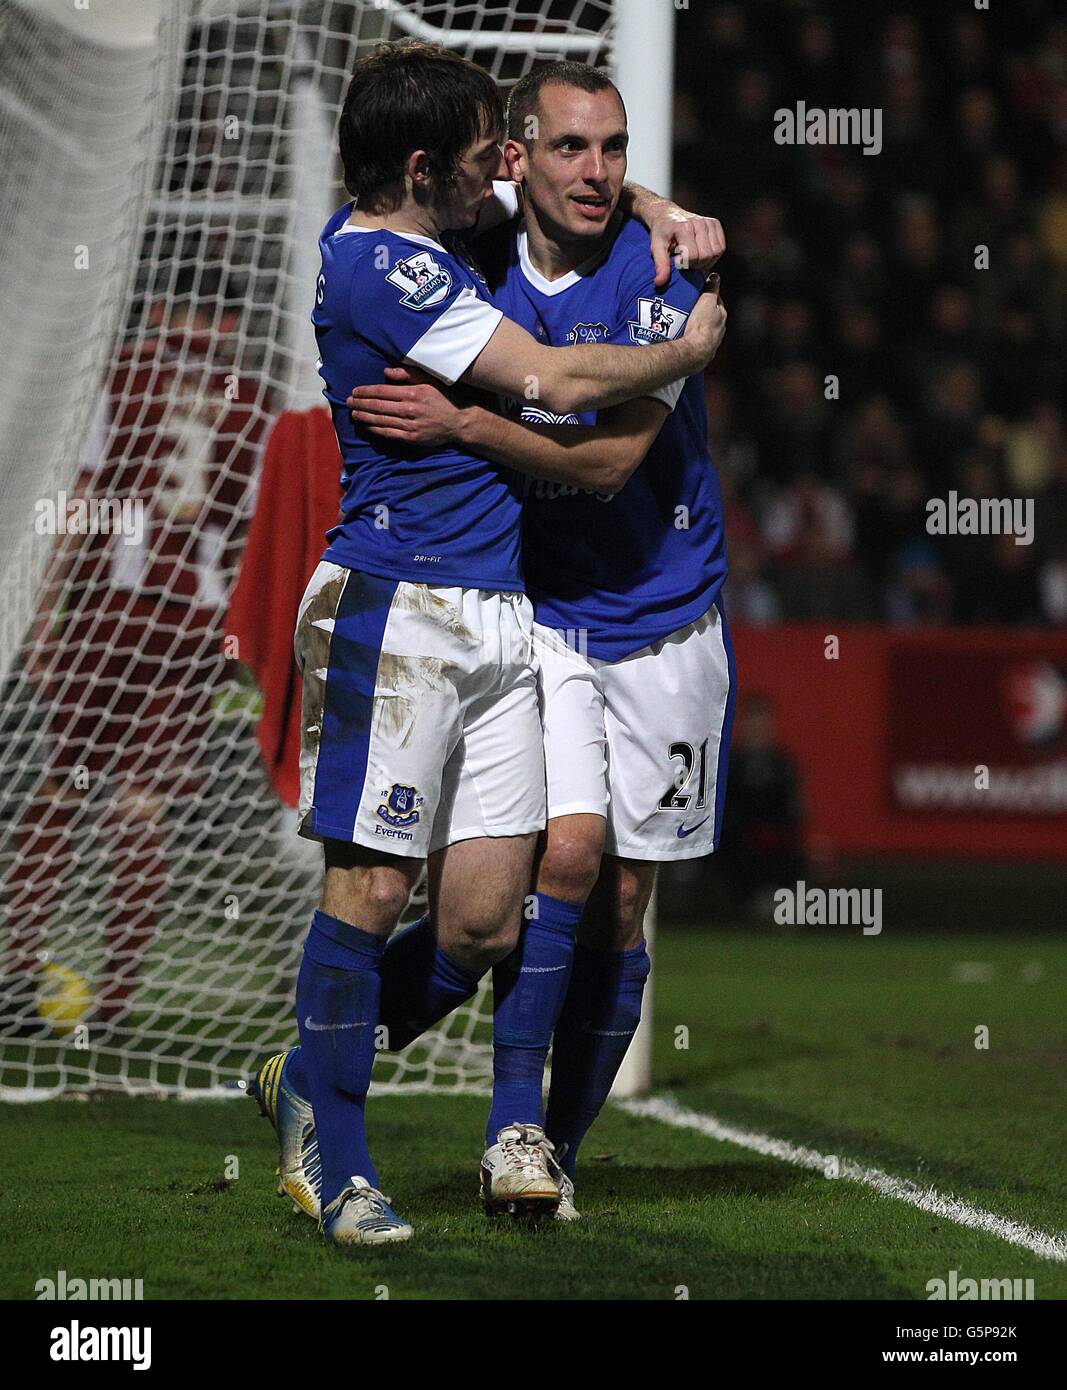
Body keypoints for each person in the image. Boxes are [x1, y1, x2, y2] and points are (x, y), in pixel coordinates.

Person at [248, 40, 726, 1245]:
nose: (502, 176)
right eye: (485, 160)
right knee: (371, 883)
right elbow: (564, 386)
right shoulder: (390, 270)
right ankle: (341, 1165)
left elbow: (568, 207)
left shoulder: (450, 234)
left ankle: (319, 1074)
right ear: (429, 168)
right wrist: (684, 351)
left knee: (480, 923)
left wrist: (653, 200)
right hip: (399, 608)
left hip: (509, 614)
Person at [1, 266, 265, 1039]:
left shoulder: (125, 372)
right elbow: (249, 525)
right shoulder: (252, 399)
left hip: (112, 609)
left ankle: (17, 971)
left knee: (60, 787)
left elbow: (86, 495)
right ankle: (116, 1001)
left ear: (157, 306)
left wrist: (49, 615)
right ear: (231, 318)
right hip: (197, 620)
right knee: (139, 810)